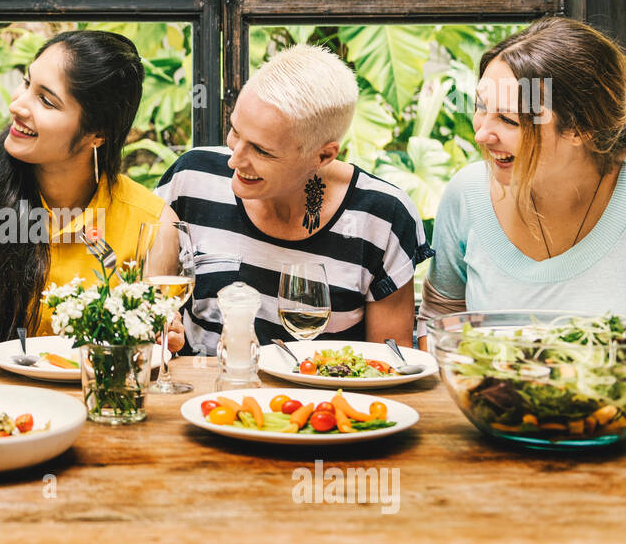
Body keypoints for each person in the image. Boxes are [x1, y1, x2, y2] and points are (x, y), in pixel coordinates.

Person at [419, 17, 626, 341]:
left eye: (509, 120)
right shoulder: (467, 193)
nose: (481, 134)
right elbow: (439, 320)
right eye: (481, 107)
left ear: (582, 128)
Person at [155, 45, 431, 356]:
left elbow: (388, 362)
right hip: (204, 399)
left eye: (262, 151)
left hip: (322, 402)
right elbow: (147, 305)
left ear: (323, 155)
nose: (235, 159)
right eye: (235, 131)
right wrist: (163, 331)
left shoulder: (383, 216)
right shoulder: (191, 177)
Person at [0, 30, 182, 356]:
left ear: (97, 133)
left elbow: (145, 361)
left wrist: (163, 337)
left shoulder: (153, 226)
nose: (16, 105)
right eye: (26, 82)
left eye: (46, 100)